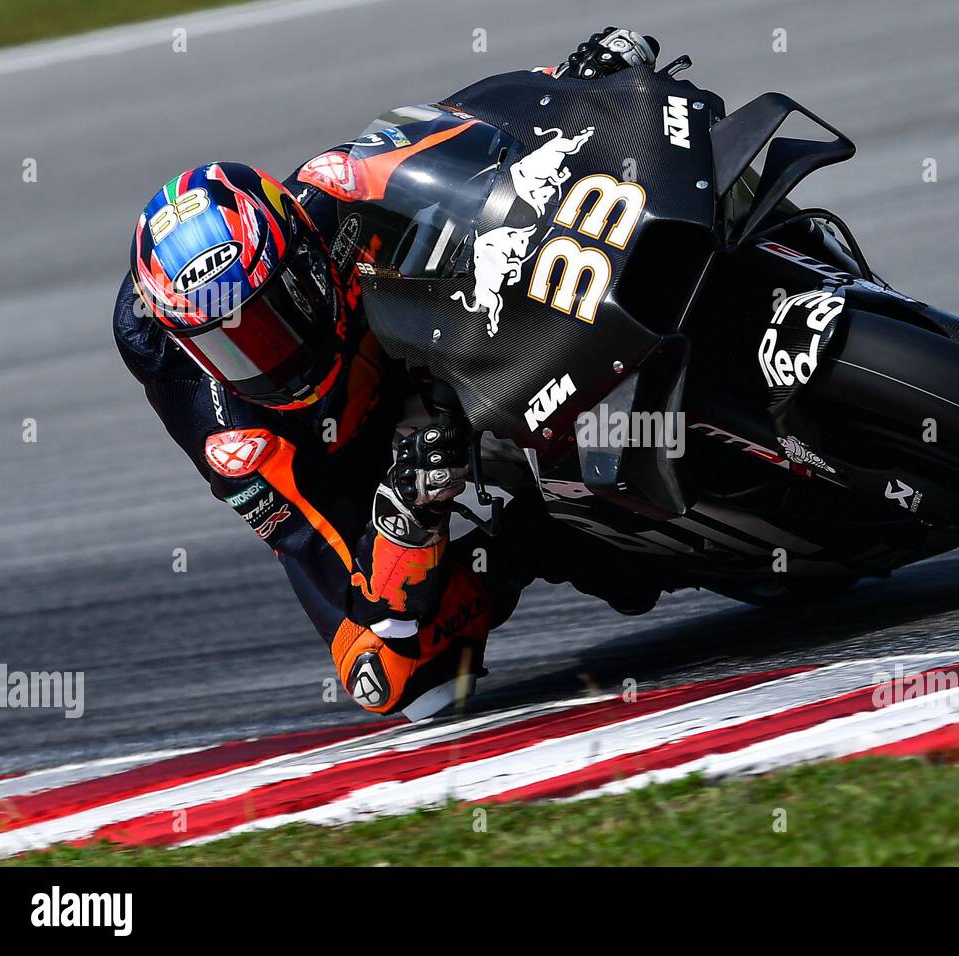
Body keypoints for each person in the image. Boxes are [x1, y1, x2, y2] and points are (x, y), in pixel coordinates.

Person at [114, 28, 662, 720]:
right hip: (352, 472)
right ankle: (541, 539)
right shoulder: (237, 440)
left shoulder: (330, 197)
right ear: (194, 353)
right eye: (232, 348)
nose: (266, 355)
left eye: (270, 318)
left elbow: (472, 128)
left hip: (428, 363)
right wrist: (403, 515)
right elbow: (362, 600)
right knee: (395, 680)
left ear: (302, 259)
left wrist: (577, 80)